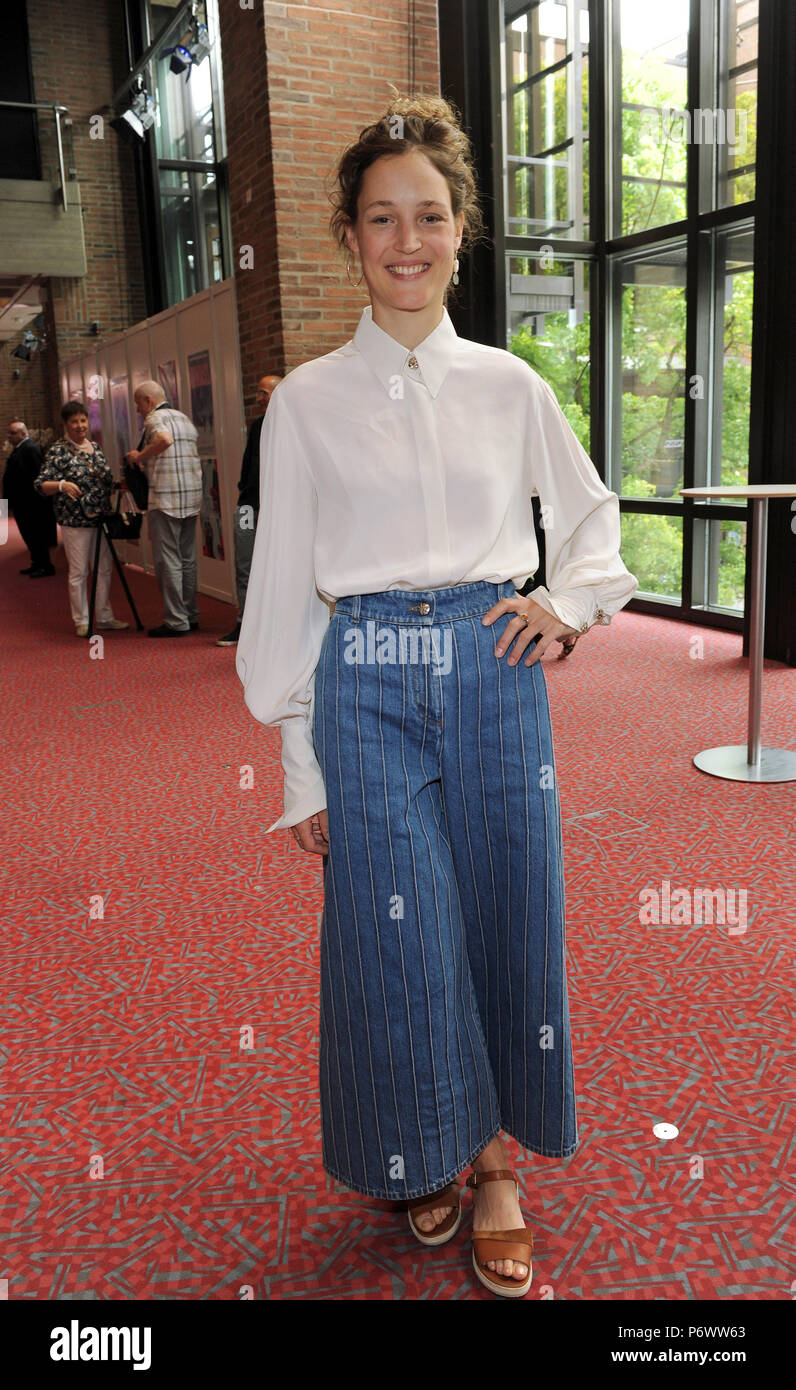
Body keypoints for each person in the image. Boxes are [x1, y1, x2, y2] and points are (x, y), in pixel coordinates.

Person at [236, 94, 638, 1299]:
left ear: (460, 228)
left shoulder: (510, 386)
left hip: (492, 667)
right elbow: (286, 598)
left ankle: (496, 1160)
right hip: (363, 681)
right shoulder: (302, 403)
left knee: (509, 909)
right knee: (390, 930)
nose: (404, 240)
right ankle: (418, 1144)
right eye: (379, 218)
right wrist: (300, 768)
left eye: (427, 214)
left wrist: (564, 608)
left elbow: (591, 521)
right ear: (350, 237)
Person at [34, 401, 128, 636]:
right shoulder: (59, 450)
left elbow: (106, 478)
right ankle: (81, 620)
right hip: (75, 521)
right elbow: (41, 485)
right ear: (66, 424)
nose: (80, 426)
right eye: (74, 421)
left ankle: (105, 616)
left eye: (83, 420)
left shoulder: (95, 448)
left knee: (104, 569)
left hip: (100, 519)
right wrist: (62, 485)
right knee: (78, 572)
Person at [125, 381, 202, 637]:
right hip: (191, 497)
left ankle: (176, 621)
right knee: (188, 559)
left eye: (138, 404)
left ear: (148, 400)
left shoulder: (154, 418)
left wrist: (139, 457)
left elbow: (164, 439)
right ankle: (190, 615)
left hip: (165, 499)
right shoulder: (184, 419)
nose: (138, 410)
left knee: (168, 560)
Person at [216, 373, 282, 647]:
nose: (259, 398)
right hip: (248, 508)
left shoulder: (292, 426)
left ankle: (277, 629)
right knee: (246, 566)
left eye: (265, 393)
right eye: (259, 392)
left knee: (278, 568)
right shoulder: (257, 426)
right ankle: (245, 625)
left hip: (278, 511)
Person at [3, 419, 56, 576]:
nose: (9, 436)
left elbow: (36, 476)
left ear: (23, 433)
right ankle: (36, 562)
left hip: (31, 503)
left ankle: (45, 566)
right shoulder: (20, 448)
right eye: (8, 433)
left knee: (36, 535)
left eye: (12, 433)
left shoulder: (30, 449)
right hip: (23, 502)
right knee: (29, 535)